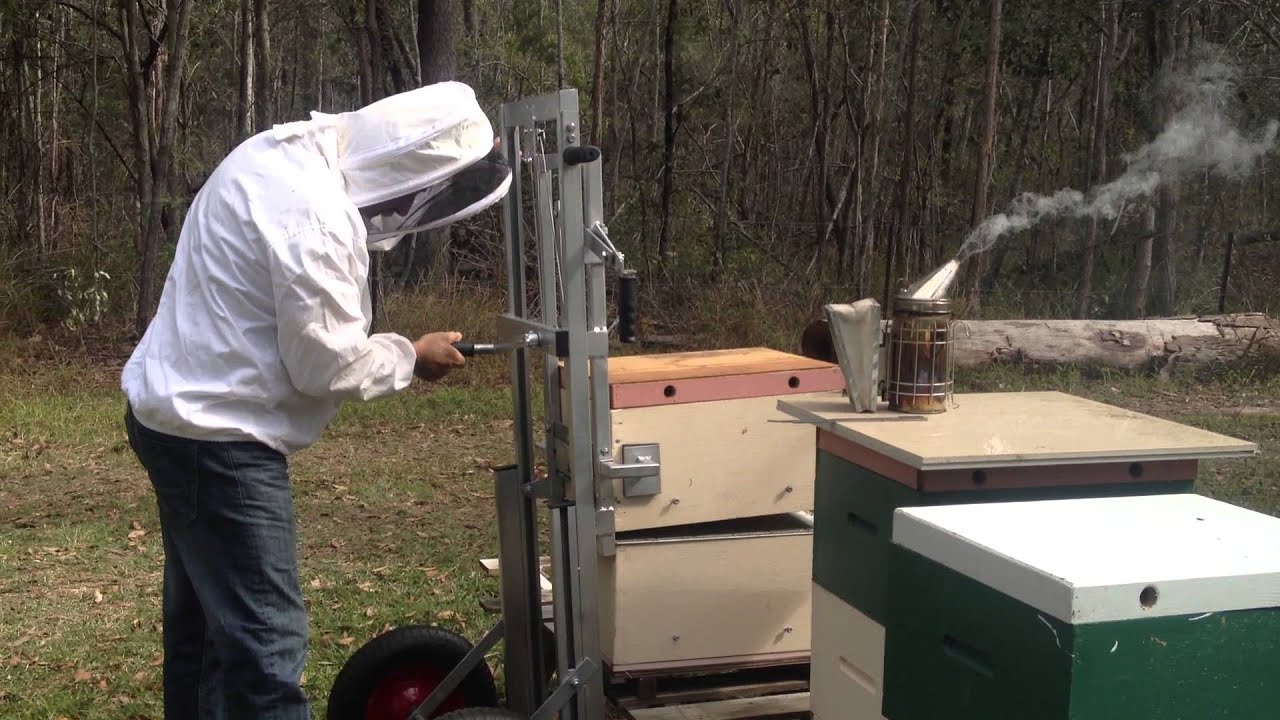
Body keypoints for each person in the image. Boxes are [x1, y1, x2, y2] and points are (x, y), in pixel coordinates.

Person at [121, 81, 511, 719]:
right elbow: (325, 365)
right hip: (220, 440)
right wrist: (411, 355)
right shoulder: (316, 215)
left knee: (208, 631)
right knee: (266, 646)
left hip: (174, 418)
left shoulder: (277, 154)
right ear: (410, 171)